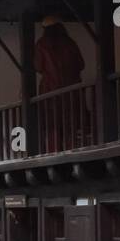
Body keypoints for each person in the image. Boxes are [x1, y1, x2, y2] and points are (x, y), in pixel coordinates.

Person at [35, 15, 88, 152]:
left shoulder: (41, 44)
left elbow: (38, 67)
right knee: (71, 125)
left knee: (52, 126)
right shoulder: (70, 42)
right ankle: (72, 152)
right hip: (72, 92)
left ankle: (54, 154)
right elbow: (81, 64)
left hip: (50, 92)